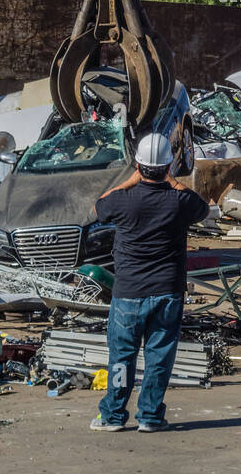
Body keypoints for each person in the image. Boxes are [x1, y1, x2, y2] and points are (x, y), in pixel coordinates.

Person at [89, 130, 209, 434]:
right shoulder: (180, 200)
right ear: (168, 167)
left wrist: (131, 180)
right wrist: (171, 181)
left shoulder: (123, 200)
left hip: (129, 293)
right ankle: (150, 417)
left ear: (139, 166)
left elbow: (99, 207)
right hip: (167, 293)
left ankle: (114, 416)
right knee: (159, 359)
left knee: (121, 359)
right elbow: (202, 207)